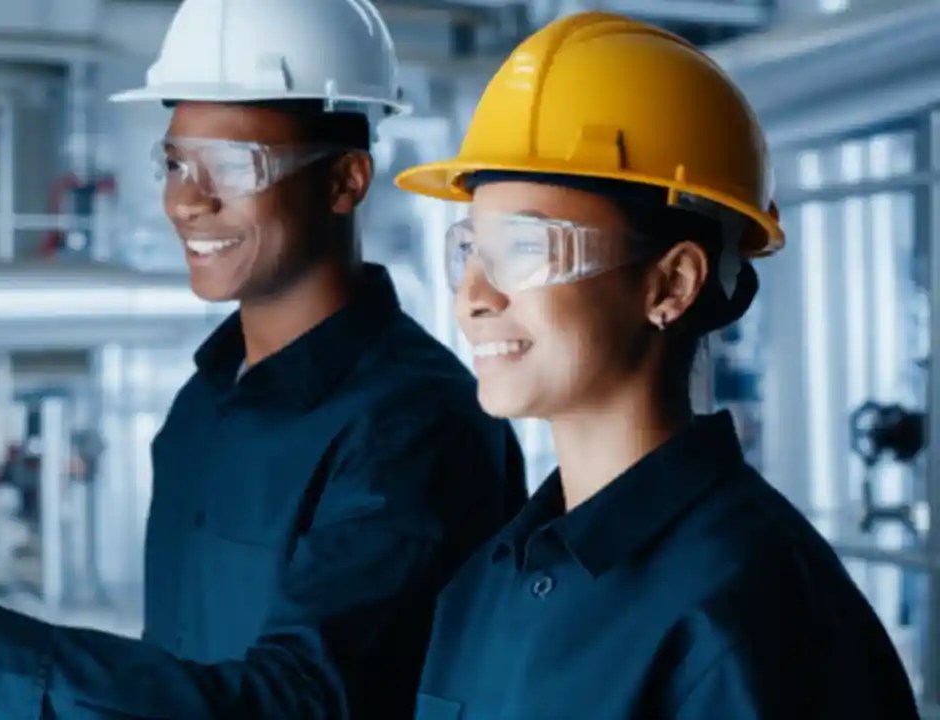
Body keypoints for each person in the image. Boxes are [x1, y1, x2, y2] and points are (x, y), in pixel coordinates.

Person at [0, 1, 527, 718]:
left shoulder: (418, 423)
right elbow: (182, 677)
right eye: (175, 163)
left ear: (344, 180)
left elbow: (299, 702)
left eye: (234, 165)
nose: (186, 201)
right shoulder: (204, 407)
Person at [393, 11, 920, 720]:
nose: (474, 297)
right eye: (471, 250)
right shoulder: (485, 586)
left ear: (671, 285)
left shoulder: (749, 618)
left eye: (526, 248)